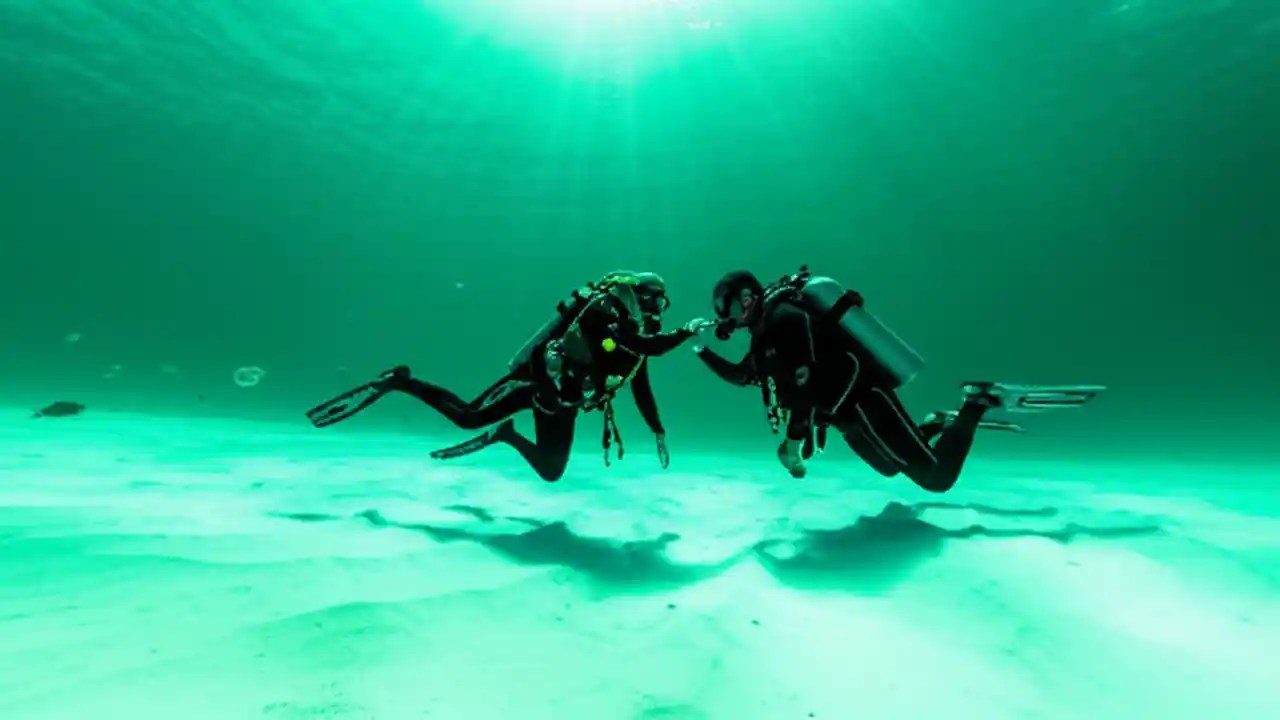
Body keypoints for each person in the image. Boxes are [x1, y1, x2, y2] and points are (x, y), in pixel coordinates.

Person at [695, 267, 1104, 492]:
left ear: (746, 299)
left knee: (935, 479)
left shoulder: (785, 318)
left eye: (726, 306)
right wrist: (700, 349)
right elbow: (743, 376)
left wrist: (792, 444)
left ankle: (975, 402)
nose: (725, 316)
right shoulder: (766, 335)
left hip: (864, 402)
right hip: (844, 418)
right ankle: (938, 421)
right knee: (892, 470)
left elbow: (803, 384)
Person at [306, 271, 716, 482]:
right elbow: (648, 348)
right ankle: (401, 380)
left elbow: (639, 380)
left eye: (661, 301)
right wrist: (685, 332)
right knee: (466, 417)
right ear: (637, 295)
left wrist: (657, 429)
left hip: (565, 404)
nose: (658, 307)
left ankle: (506, 435)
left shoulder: (633, 336)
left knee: (552, 473)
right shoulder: (602, 314)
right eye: (655, 299)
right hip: (533, 386)